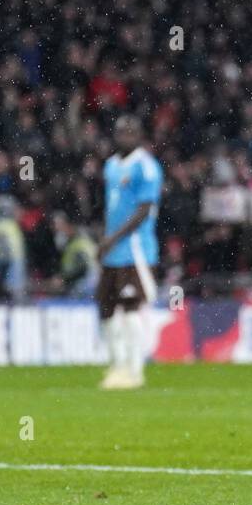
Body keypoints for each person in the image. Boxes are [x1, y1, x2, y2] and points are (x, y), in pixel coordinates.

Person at [97, 115, 163, 390]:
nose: (125, 136)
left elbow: (144, 211)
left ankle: (135, 371)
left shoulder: (146, 167)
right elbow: (113, 208)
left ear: (139, 135)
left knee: (132, 306)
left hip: (135, 250)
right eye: (121, 131)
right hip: (112, 250)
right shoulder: (111, 166)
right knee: (106, 306)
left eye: (130, 131)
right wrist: (105, 239)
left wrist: (112, 238)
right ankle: (117, 365)